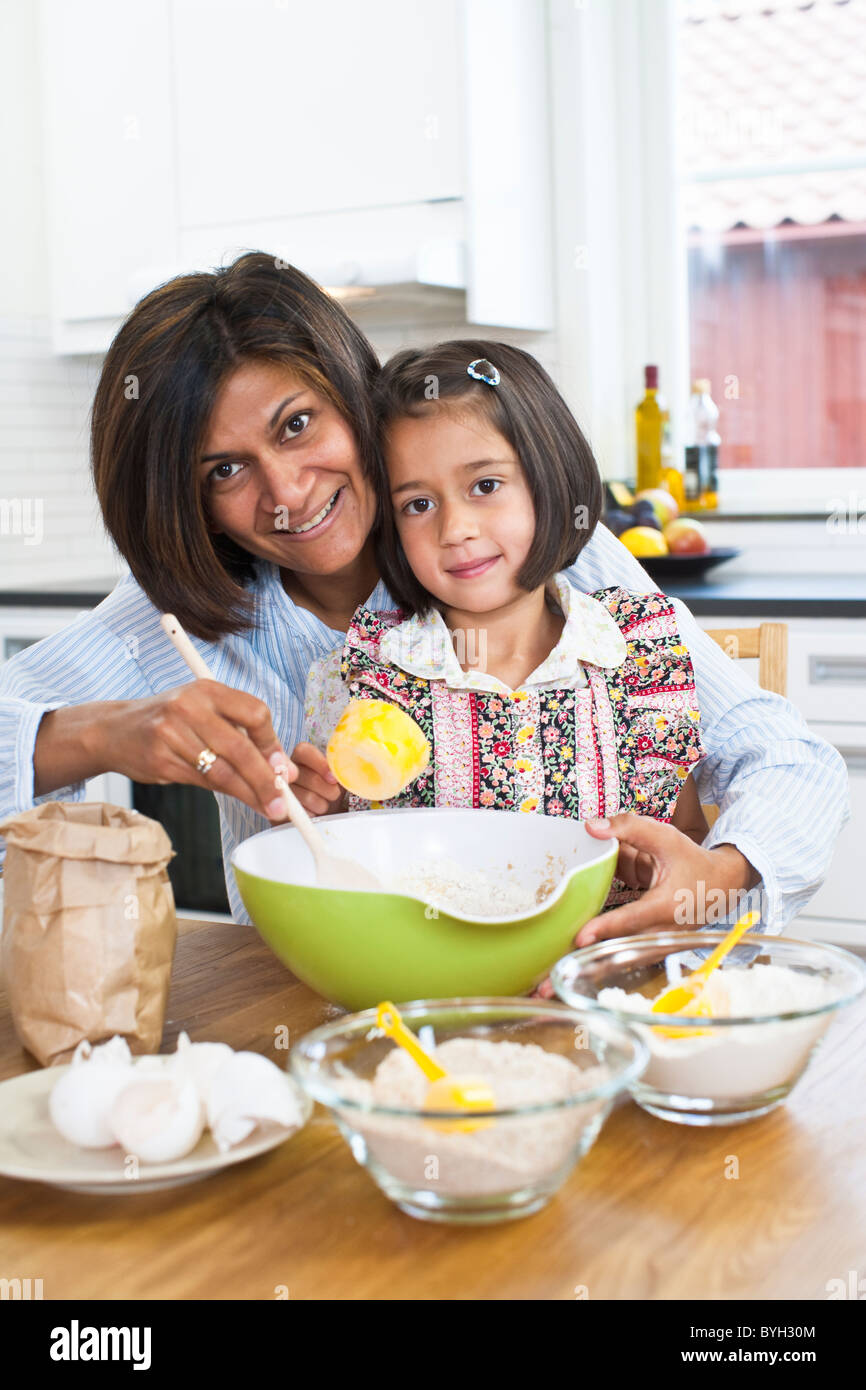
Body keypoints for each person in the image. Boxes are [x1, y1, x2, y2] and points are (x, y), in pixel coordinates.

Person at [0, 253, 848, 942]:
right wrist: (104, 734)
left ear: (349, 393)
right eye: (224, 470)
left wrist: (724, 870)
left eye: (297, 425)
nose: (287, 491)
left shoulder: (537, 552)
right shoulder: (190, 612)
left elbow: (785, 755)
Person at [302, 340, 712, 920]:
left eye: (485, 486)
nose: (456, 529)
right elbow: (334, 864)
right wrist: (305, 819)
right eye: (418, 504)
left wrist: (653, 871)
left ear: (551, 478)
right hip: (431, 987)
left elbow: (685, 841)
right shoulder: (364, 673)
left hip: (604, 986)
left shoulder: (641, 657)